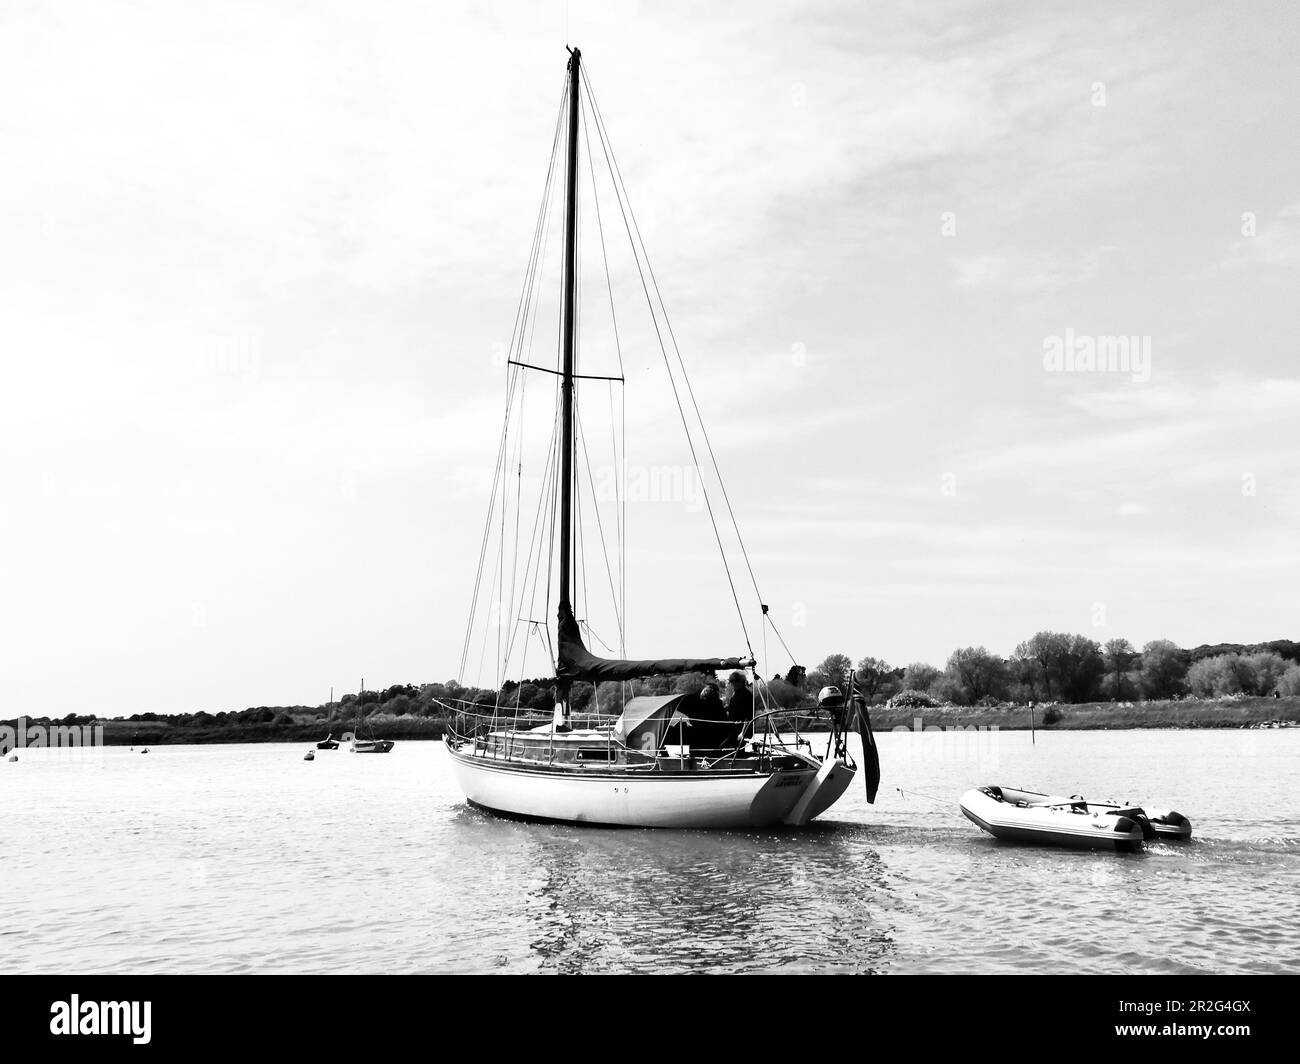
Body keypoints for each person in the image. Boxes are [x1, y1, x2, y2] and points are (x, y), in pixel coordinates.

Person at [725, 671, 754, 745]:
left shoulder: (747, 695)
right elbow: (731, 711)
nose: (732, 683)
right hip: (732, 728)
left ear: (742, 682)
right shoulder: (734, 695)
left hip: (740, 730)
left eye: (736, 680)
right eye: (731, 681)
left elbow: (748, 716)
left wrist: (742, 733)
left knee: (722, 748)